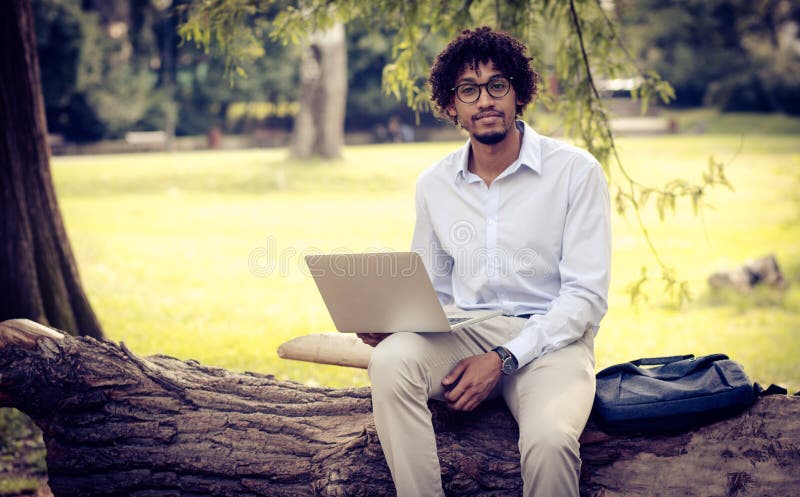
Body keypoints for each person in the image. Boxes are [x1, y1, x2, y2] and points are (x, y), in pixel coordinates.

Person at [357, 26, 611, 497]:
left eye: (498, 85)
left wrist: (503, 359)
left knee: (552, 442)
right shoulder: (434, 184)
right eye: (468, 90)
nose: (485, 100)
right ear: (451, 106)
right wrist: (396, 324)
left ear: (518, 94)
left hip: (553, 340)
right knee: (391, 360)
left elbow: (586, 297)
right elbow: (433, 287)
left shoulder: (576, 172)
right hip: (463, 331)